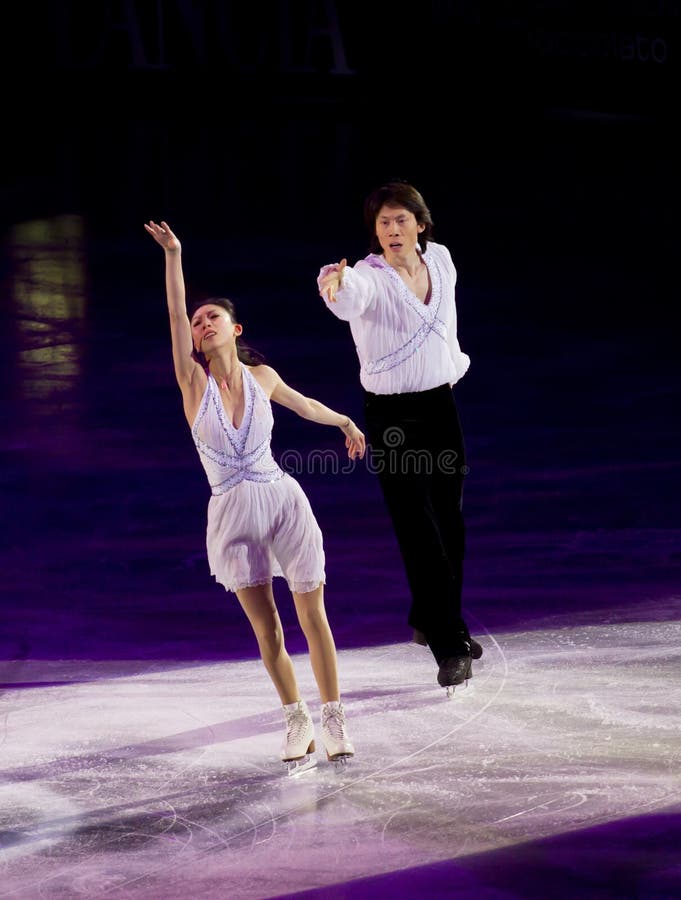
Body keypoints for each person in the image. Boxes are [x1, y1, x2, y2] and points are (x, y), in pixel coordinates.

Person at [144, 219, 365, 772]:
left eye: (213, 317)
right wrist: (175, 254)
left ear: (236, 328)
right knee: (268, 628)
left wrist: (344, 422)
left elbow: (302, 403)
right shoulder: (193, 384)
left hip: (282, 500)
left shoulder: (262, 376)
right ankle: (297, 719)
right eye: (198, 323)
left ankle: (334, 715)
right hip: (233, 513)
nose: (202, 325)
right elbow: (173, 314)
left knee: (313, 615)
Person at [317, 181, 483, 695]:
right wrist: (335, 285)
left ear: (420, 224)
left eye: (401, 220)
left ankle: (426, 614)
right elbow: (349, 299)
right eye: (383, 223)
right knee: (419, 529)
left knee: (450, 525)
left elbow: (447, 328)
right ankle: (449, 643)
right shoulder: (368, 278)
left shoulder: (444, 262)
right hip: (392, 418)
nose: (392, 230)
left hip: (441, 406)